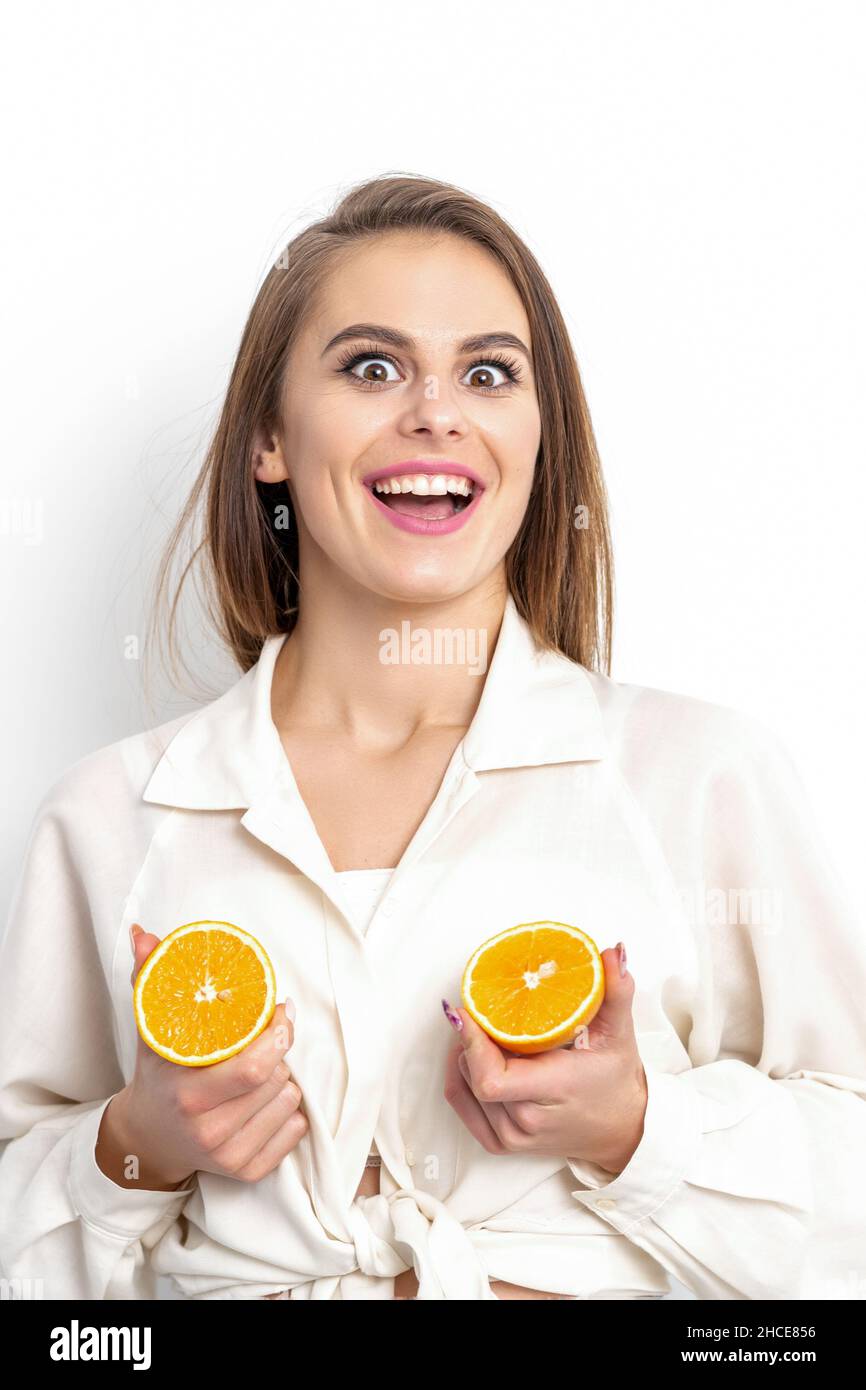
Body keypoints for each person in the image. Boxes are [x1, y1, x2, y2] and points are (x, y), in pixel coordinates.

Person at [1, 174, 864, 1301]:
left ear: (534, 436)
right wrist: (137, 1146)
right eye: (371, 366)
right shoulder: (111, 813)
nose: (435, 412)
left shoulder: (697, 779)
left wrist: (641, 1131)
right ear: (267, 437)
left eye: (487, 372)